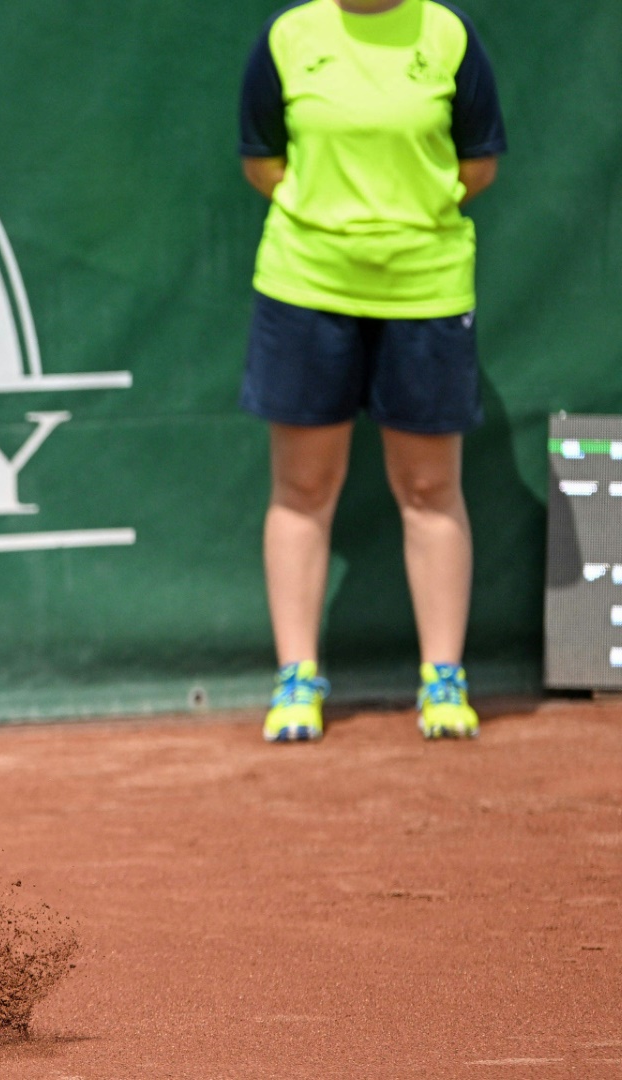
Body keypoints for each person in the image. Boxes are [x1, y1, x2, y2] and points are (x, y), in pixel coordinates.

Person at [237, 0, 506, 742]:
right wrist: (332, 218)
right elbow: (262, 160)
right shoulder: (291, 37)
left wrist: (404, 213)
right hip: (304, 287)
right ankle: (296, 680)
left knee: (429, 488)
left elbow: (477, 162)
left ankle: (442, 679)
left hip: (426, 287)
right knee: (302, 489)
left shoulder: (446, 34)